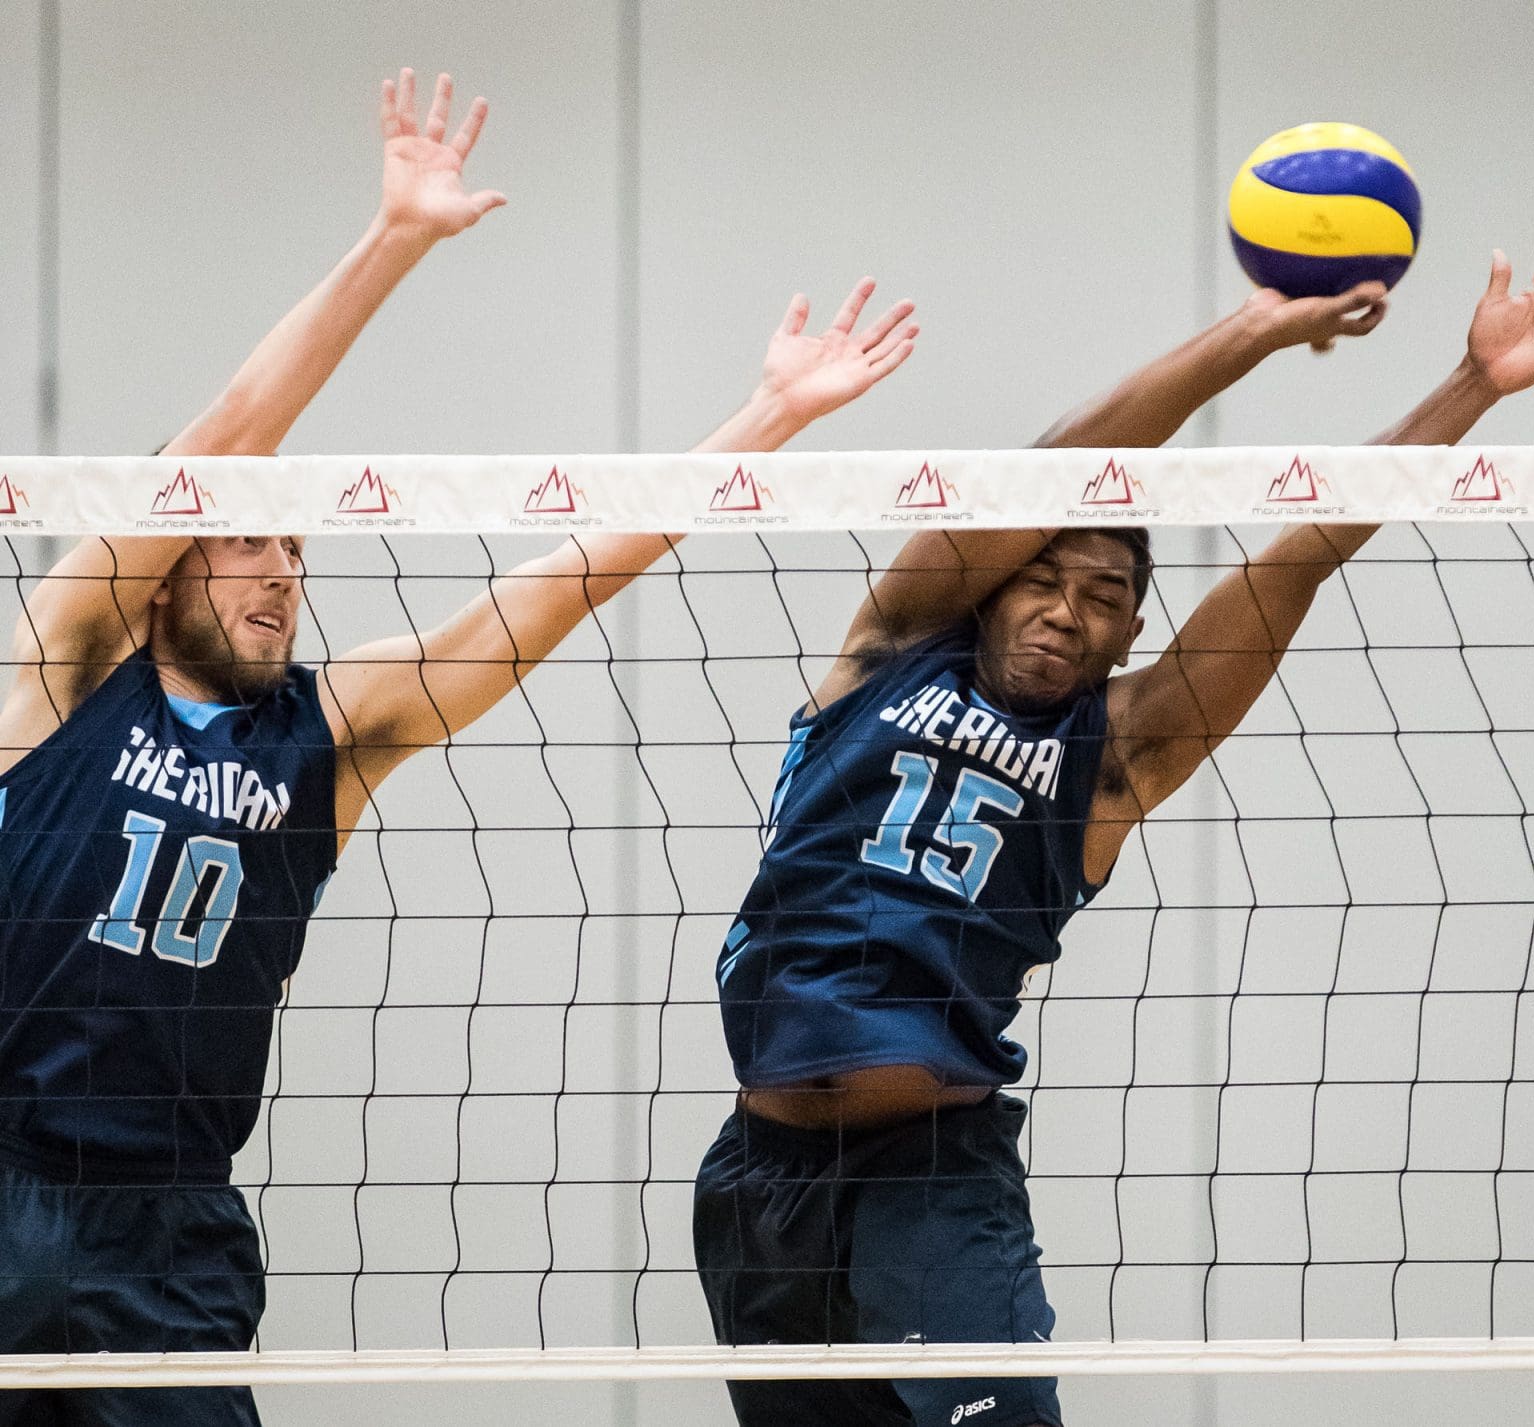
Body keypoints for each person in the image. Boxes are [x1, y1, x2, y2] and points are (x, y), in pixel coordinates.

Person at [0, 69, 918, 1427]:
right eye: (244, 537)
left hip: (171, 1224)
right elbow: (230, 430)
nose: (278, 571)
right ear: (157, 563)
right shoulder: (65, 668)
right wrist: (397, 241)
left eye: (296, 547)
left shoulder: (329, 730)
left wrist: (764, 423)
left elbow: (551, 591)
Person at [697, 227, 1534, 1427]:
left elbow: (1298, 559)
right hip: (757, 1171)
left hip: (930, 1170)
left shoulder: (1115, 758)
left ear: (1131, 634)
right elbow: (1048, 476)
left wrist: (1468, 386)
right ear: (993, 582)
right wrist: (1251, 332)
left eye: (1106, 596)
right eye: (1044, 576)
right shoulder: (883, 651)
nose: (1065, 609)